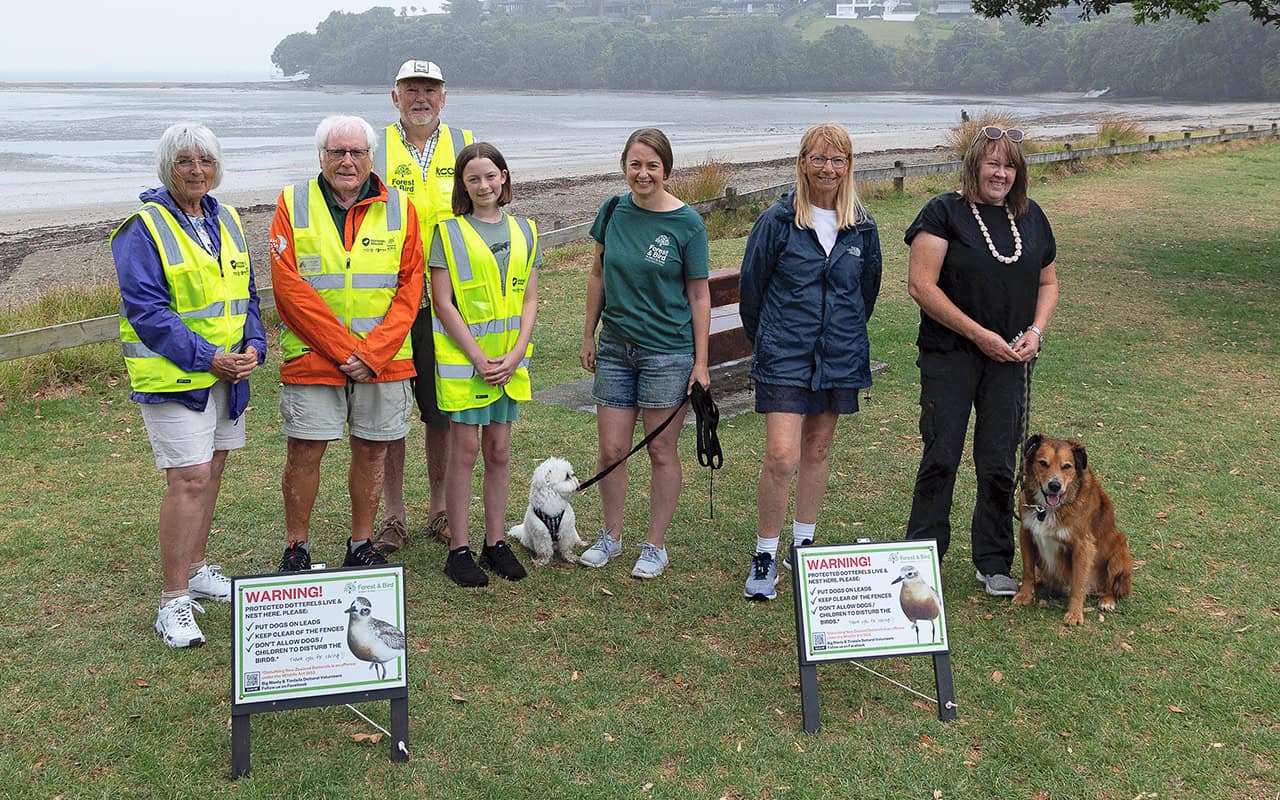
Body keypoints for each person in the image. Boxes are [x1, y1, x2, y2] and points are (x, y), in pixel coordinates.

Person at [111, 122, 265, 648]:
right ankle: (172, 600)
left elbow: (246, 294)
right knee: (191, 477)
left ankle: (196, 569)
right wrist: (210, 357)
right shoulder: (143, 228)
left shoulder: (228, 219)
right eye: (184, 161)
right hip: (177, 377)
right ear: (166, 167)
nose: (196, 170)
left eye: (205, 160)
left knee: (213, 470)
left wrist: (253, 347)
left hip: (228, 374)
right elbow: (148, 311)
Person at [904, 125, 1060, 596]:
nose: (1002, 173)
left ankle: (993, 562)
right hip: (951, 356)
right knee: (941, 456)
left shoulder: (1030, 218)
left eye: (1010, 165)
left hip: (1010, 361)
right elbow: (921, 287)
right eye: (993, 163)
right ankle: (922, 556)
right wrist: (979, 335)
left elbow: (1048, 284)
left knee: (999, 462)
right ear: (974, 165)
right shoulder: (942, 213)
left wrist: (1035, 331)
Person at [270, 115, 424, 572]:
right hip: (315, 359)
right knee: (304, 451)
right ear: (321, 156)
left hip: (384, 361)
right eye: (337, 152)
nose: (347, 161)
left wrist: (371, 354)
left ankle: (362, 543)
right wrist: (346, 351)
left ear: (371, 157)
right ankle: (296, 547)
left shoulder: (400, 206)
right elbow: (288, 288)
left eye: (356, 152)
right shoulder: (292, 203)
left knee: (373, 449)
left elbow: (409, 288)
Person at [738, 122, 883, 601]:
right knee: (782, 456)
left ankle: (803, 546)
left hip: (838, 355)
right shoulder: (777, 221)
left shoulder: (861, 225)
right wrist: (773, 341)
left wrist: (838, 332)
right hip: (784, 354)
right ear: (802, 163)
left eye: (837, 160)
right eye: (818, 158)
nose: (827, 168)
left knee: (818, 451)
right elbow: (751, 293)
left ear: (848, 166)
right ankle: (765, 553)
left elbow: (867, 293)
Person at [578, 128, 711, 580]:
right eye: (635, 164)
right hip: (615, 347)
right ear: (624, 167)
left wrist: (701, 362)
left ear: (666, 170)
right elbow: (597, 274)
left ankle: (654, 545)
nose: (643, 173)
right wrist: (589, 334)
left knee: (660, 451)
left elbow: (699, 296)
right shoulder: (612, 210)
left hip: (667, 353)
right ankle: (611, 536)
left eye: (652, 165)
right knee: (612, 449)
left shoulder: (687, 224)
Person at [372, 59, 475, 555]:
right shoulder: (373, 149)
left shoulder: (466, 143)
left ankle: (439, 509)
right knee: (391, 411)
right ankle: (393, 515)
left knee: (441, 410)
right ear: (395, 97)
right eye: (411, 89)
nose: (420, 98)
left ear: (443, 97)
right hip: (391, 299)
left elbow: (488, 207)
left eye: (429, 90)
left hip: (448, 300)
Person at [430, 142, 540, 587]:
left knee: (499, 452)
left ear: (505, 177)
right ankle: (458, 548)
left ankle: (494, 543)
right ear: (463, 185)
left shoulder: (526, 230)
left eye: (490, 176)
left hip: (508, 366)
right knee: (465, 452)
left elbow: (529, 299)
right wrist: (478, 357)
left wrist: (514, 356)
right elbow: (442, 302)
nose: (483, 185)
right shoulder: (447, 232)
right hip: (467, 365)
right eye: (473, 178)